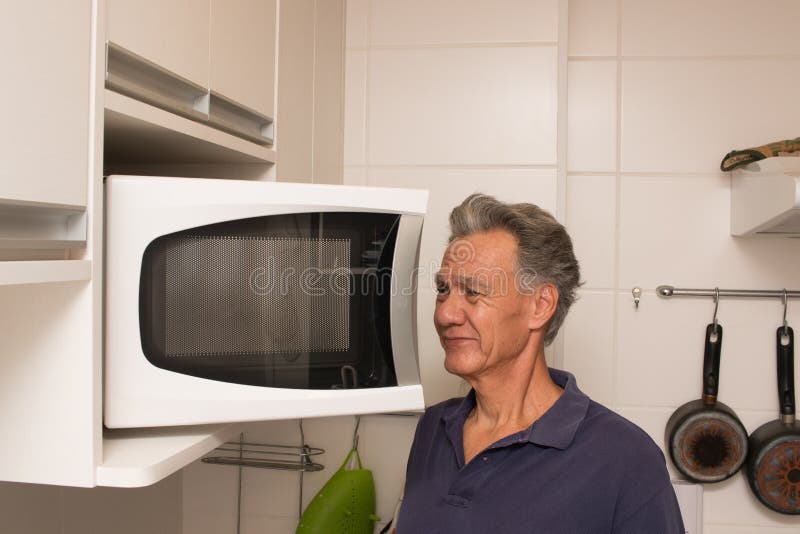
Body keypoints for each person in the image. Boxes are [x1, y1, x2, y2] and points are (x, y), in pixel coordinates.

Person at [397, 194, 685, 533]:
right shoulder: (434, 427)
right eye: (443, 290)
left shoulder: (624, 459)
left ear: (540, 305)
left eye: (473, 292)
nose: (445, 313)